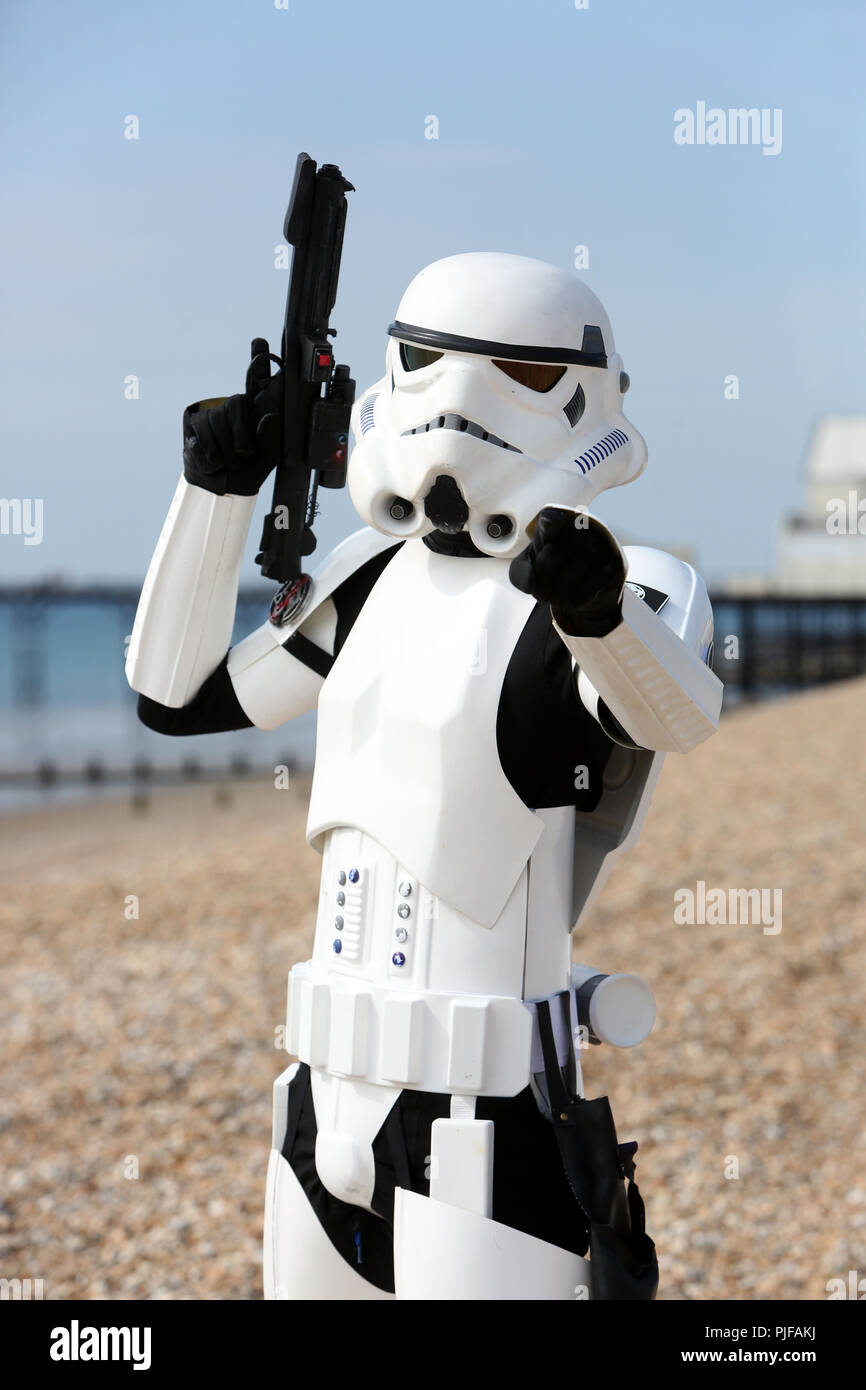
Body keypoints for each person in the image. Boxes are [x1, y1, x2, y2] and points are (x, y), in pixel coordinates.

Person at [126, 252, 722, 1299]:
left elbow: (669, 714)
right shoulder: (369, 572)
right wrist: (216, 487)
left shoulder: (627, 591)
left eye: (517, 375)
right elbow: (176, 700)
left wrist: (594, 611)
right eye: (429, 363)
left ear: (588, 392)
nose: (460, 406)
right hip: (320, 1089)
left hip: (483, 1112)